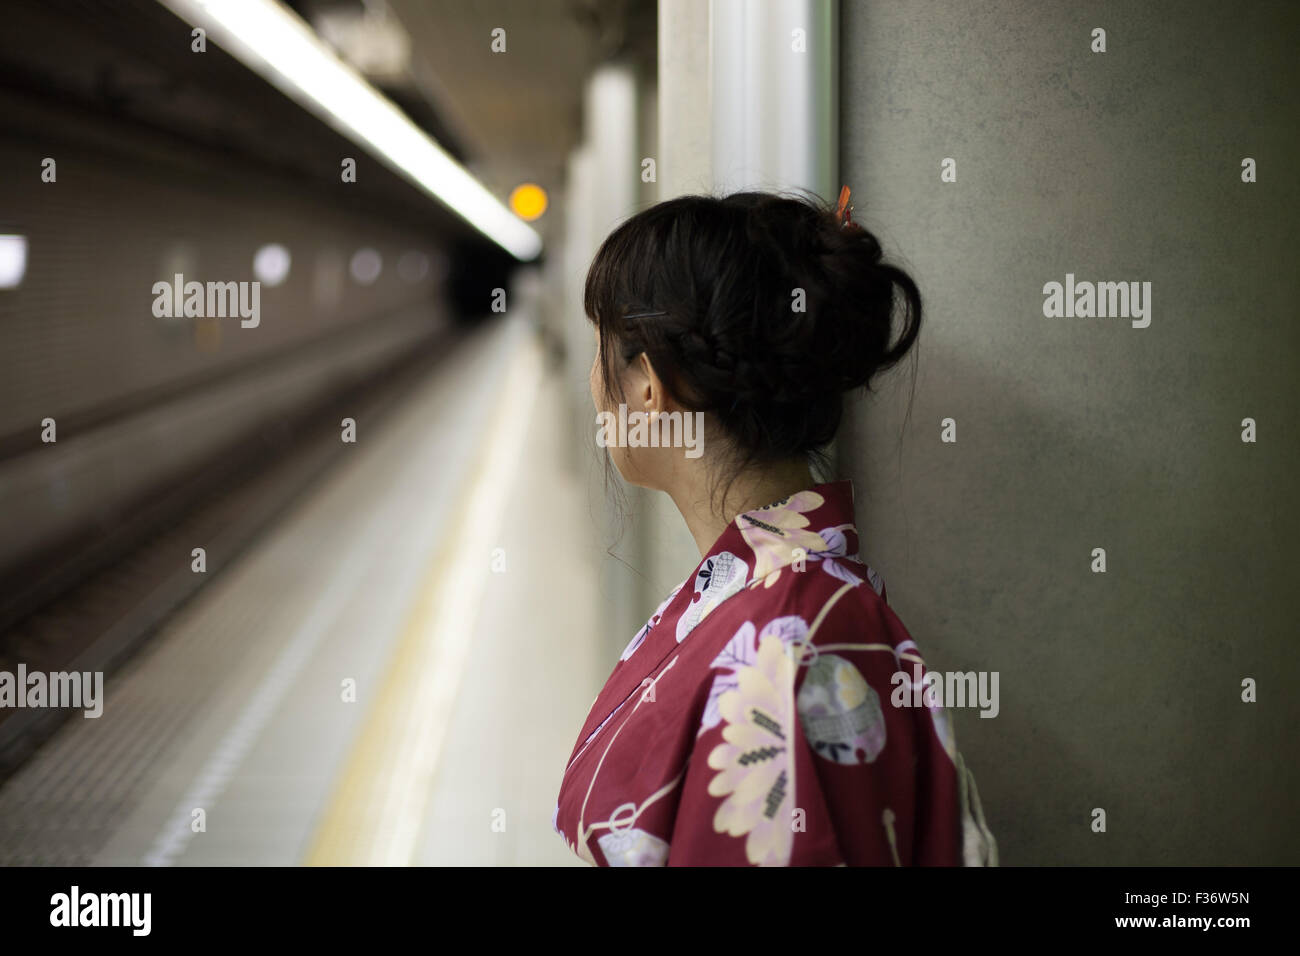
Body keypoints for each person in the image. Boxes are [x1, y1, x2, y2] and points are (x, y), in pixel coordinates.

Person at [553, 189, 996, 866]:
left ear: (649, 383)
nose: (591, 381)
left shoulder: (788, 648)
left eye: (600, 349)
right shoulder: (790, 602)